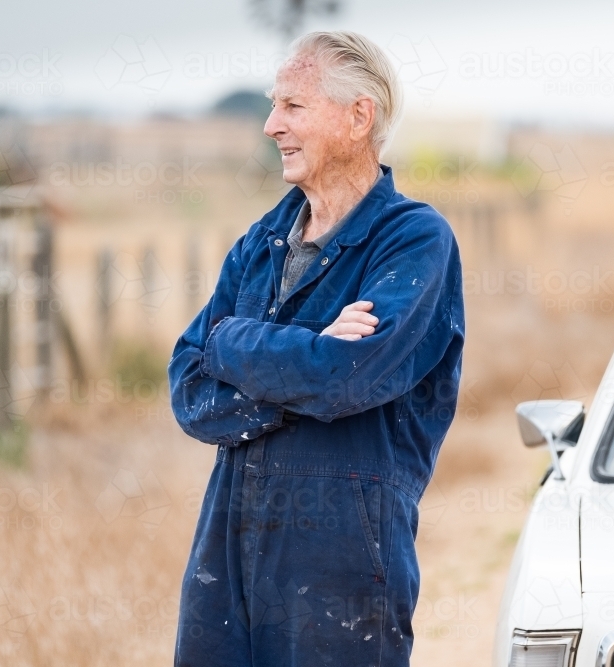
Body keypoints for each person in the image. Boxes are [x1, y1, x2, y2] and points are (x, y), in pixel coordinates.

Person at [168, 30, 465, 667]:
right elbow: (188, 386)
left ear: (360, 117)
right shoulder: (260, 242)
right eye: (275, 105)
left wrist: (233, 348)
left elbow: (345, 381)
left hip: (343, 564)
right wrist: (300, 357)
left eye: (294, 106)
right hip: (225, 556)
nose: (272, 125)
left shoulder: (414, 241)